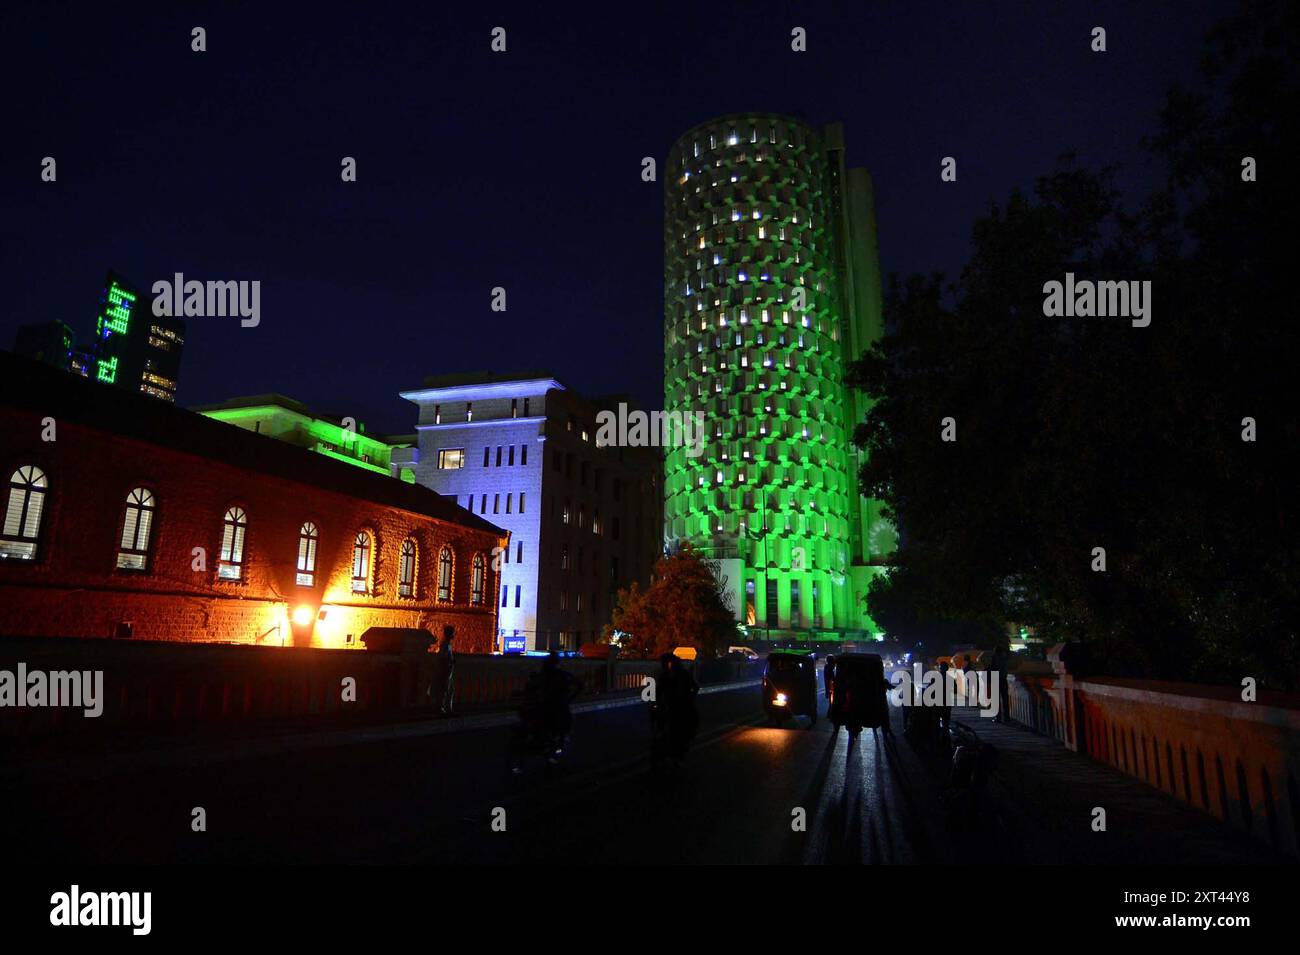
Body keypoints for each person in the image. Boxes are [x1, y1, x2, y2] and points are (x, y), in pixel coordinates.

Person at [430, 628, 456, 716]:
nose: (454, 635)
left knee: (448, 690)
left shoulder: (446, 645)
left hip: (447, 671)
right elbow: (443, 658)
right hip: (445, 671)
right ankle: (443, 708)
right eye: (452, 633)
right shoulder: (446, 645)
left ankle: (445, 708)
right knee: (445, 690)